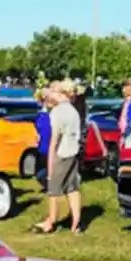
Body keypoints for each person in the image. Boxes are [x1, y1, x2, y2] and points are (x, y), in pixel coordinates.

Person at [33, 81, 83, 234]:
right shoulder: (73, 111)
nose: (50, 94)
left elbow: (54, 139)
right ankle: (76, 222)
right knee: (72, 187)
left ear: (62, 94)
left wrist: (50, 162)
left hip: (60, 153)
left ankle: (50, 221)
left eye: (53, 92)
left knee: (53, 188)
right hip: (73, 152)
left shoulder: (57, 112)